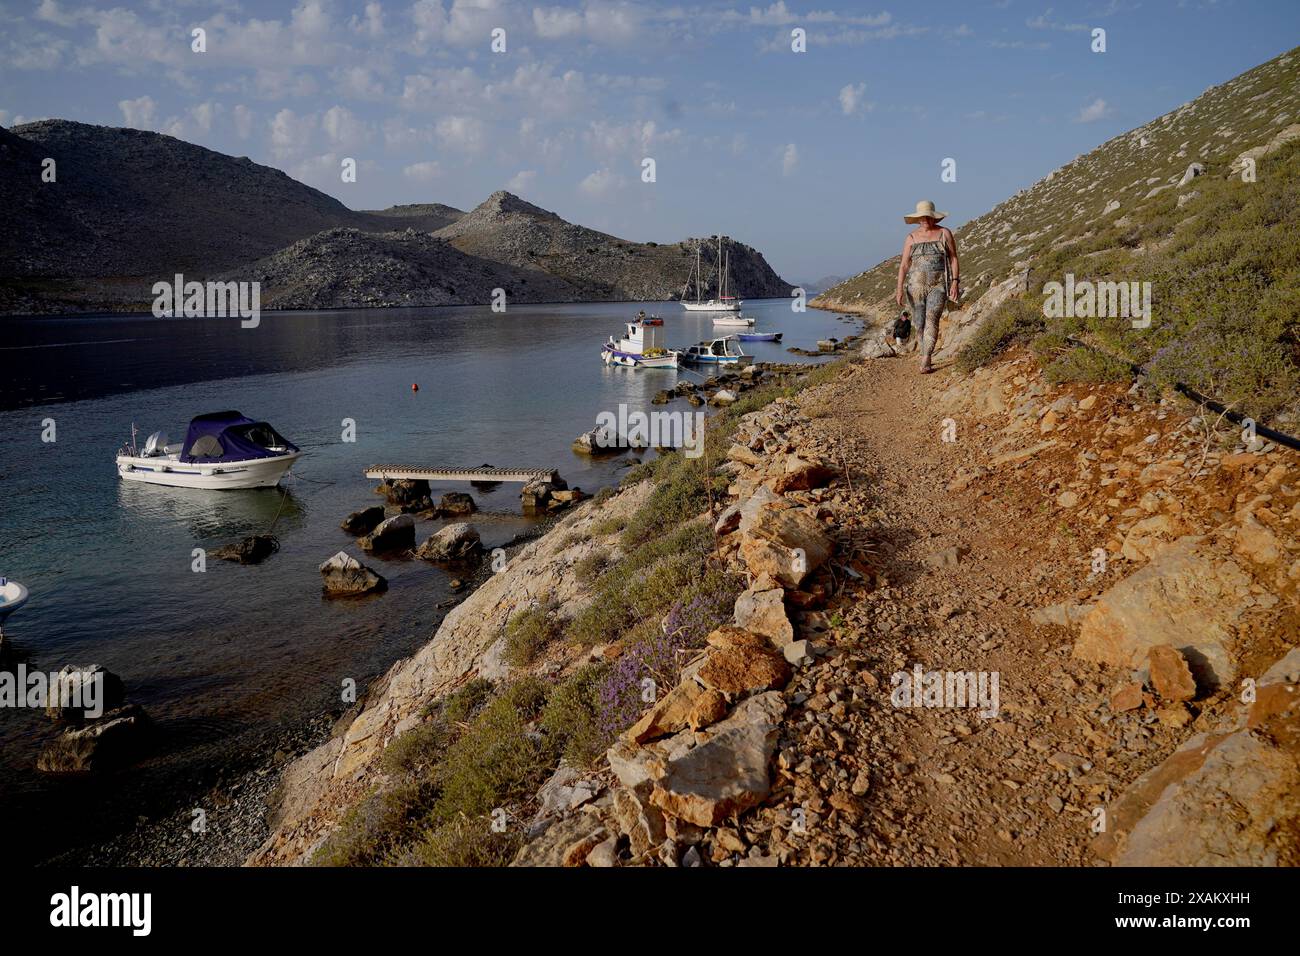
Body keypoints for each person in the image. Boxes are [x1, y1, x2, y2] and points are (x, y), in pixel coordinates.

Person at [895, 200, 960, 374]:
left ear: (933, 217)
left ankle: (926, 359)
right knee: (919, 323)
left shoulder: (944, 233)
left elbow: (953, 258)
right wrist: (899, 288)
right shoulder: (911, 238)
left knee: (932, 319)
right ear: (918, 219)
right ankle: (924, 352)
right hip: (915, 288)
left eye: (928, 217)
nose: (925, 220)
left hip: (938, 285)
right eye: (922, 217)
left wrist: (955, 281)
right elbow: (904, 265)